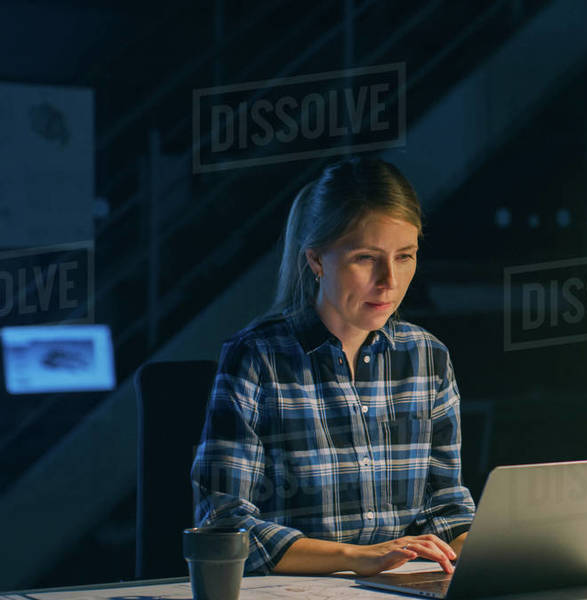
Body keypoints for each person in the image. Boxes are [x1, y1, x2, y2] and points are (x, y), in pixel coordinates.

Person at [191, 157, 474, 576]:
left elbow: (446, 507)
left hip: (403, 594)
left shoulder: (429, 358)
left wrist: (491, 552)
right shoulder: (257, 359)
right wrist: (360, 558)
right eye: (366, 258)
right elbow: (224, 525)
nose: (390, 282)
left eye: (405, 257)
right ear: (317, 261)